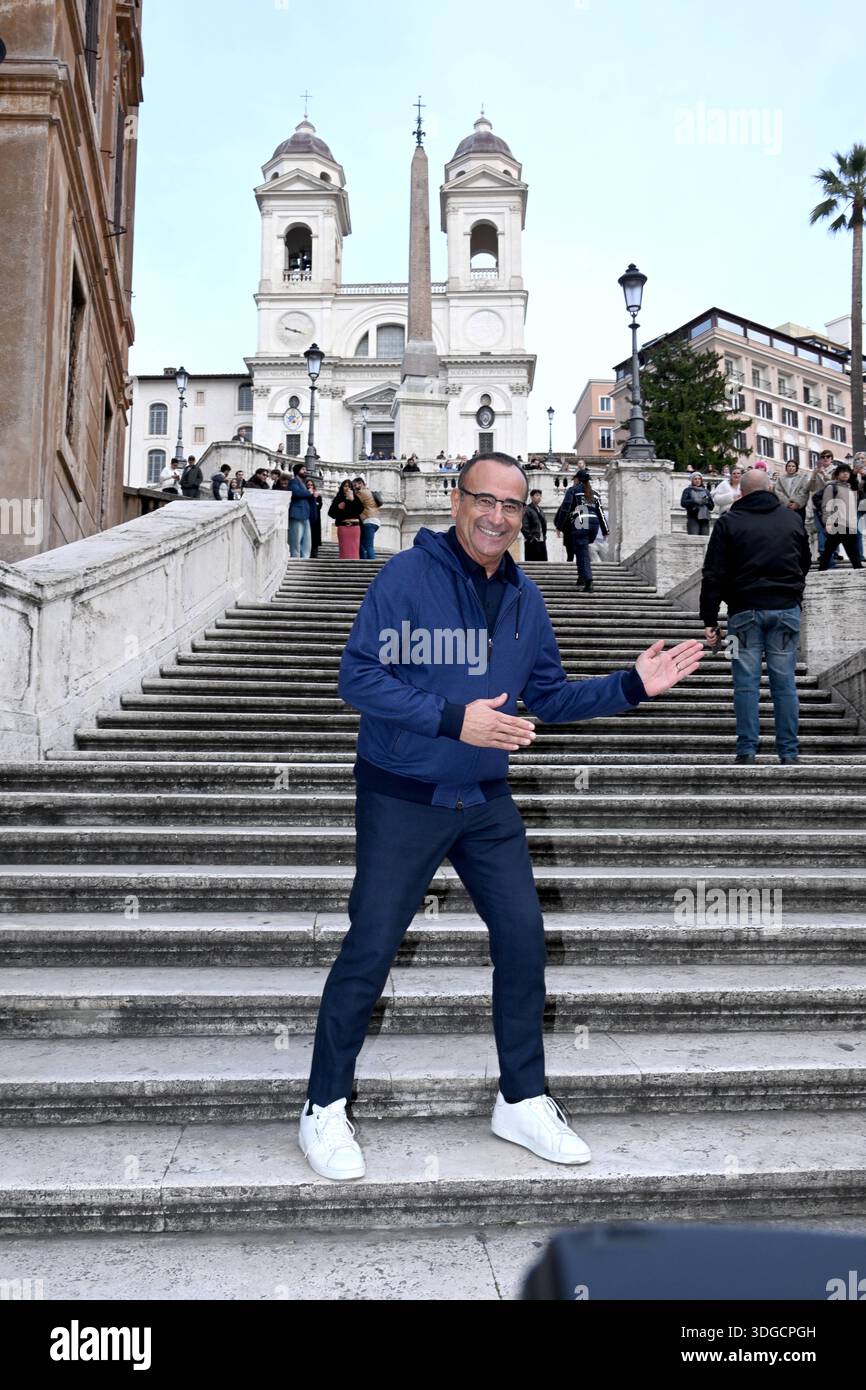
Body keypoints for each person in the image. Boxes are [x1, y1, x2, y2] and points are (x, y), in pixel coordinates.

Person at [298, 451, 704, 1180]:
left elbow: (548, 697)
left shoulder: (526, 599)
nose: (496, 517)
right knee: (370, 950)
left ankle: (520, 1099)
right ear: (456, 503)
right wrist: (457, 722)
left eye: (512, 506)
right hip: (402, 795)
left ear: (526, 515)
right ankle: (323, 1106)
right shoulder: (406, 579)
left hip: (485, 802)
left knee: (523, 940)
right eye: (484, 500)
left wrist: (633, 686)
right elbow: (357, 676)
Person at [700, 467, 811, 765]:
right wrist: (792, 594)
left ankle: (747, 749)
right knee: (784, 682)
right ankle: (788, 752)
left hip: (743, 613)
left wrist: (710, 620)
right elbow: (805, 561)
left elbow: (713, 574)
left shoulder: (729, 522)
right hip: (786, 611)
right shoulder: (791, 519)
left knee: (745, 683)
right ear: (771, 488)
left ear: (742, 492)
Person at [554, 469, 607, 593]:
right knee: (579, 549)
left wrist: (559, 525)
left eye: (574, 479)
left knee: (582, 551)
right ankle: (581, 577)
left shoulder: (573, 491)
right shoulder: (594, 494)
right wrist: (605, 530)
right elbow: (600, 512)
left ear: (577, 479)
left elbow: (565, 508)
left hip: (581, 519)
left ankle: (588, 581)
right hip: (594, 523)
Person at [815, 463, 863, 571]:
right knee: (830, 551)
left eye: (847, 472)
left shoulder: (852, 489)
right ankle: (822, 570)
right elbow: (826, 506)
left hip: (850, 524)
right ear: (837, 475)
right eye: (842, 472)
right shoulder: (832, 487)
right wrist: (827, 523)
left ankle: (858, 570)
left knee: (851, 551)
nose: (845, 474)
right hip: (837, 523)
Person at [327, 479, 364, 558]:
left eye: (349, 486)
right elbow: (331, 513)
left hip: (355, 528)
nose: (347, 488)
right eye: (345, 486)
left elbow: (360, 510)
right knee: (344, 550)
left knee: (354, 549)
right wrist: (338, 507)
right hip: (343, 527)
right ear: (342, 487)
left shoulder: (355, 497)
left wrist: (352, 500)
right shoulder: (338, 498)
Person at [288, 462, 317, 557]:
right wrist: (308, 492)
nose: (305, 471)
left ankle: (305, 557)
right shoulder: (293, 481)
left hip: (305, 514)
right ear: (297, 471)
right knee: (296, 538)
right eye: (303, 469)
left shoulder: (303, 483)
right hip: (297, 514)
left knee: (307, 539)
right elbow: (296, 493)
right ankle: (295, 557)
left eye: (305, 469)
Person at [352, 475, 381, 560]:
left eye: (355, 485)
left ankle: (373, 564)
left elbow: (353, 502)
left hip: (369, 520)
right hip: (375, 520)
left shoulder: (361, 492)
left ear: (360, 484)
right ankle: (364, 559)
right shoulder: (369, 492)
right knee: (362, 543)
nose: (354, 488)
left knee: (369, 546)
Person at [521, 488, 548, 561]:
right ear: (532, 497)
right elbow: (524, 526)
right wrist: (531, 538)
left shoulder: (540, 510)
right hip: (532, 542)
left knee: (543, 564)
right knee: (532, 564)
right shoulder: (527, 509)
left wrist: (544, 537)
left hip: (542, 541)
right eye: (537, 495)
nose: (539, 497)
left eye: (540, 495)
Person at [307, 480, 323, 557]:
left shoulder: (318, 496)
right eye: (308, 485)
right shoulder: (305, 495)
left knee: (315, 536)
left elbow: (319, 506)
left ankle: (314, 552)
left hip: (316, 519)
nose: (310, 486)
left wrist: (315, 498)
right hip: (307, 518)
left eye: (311, 485)